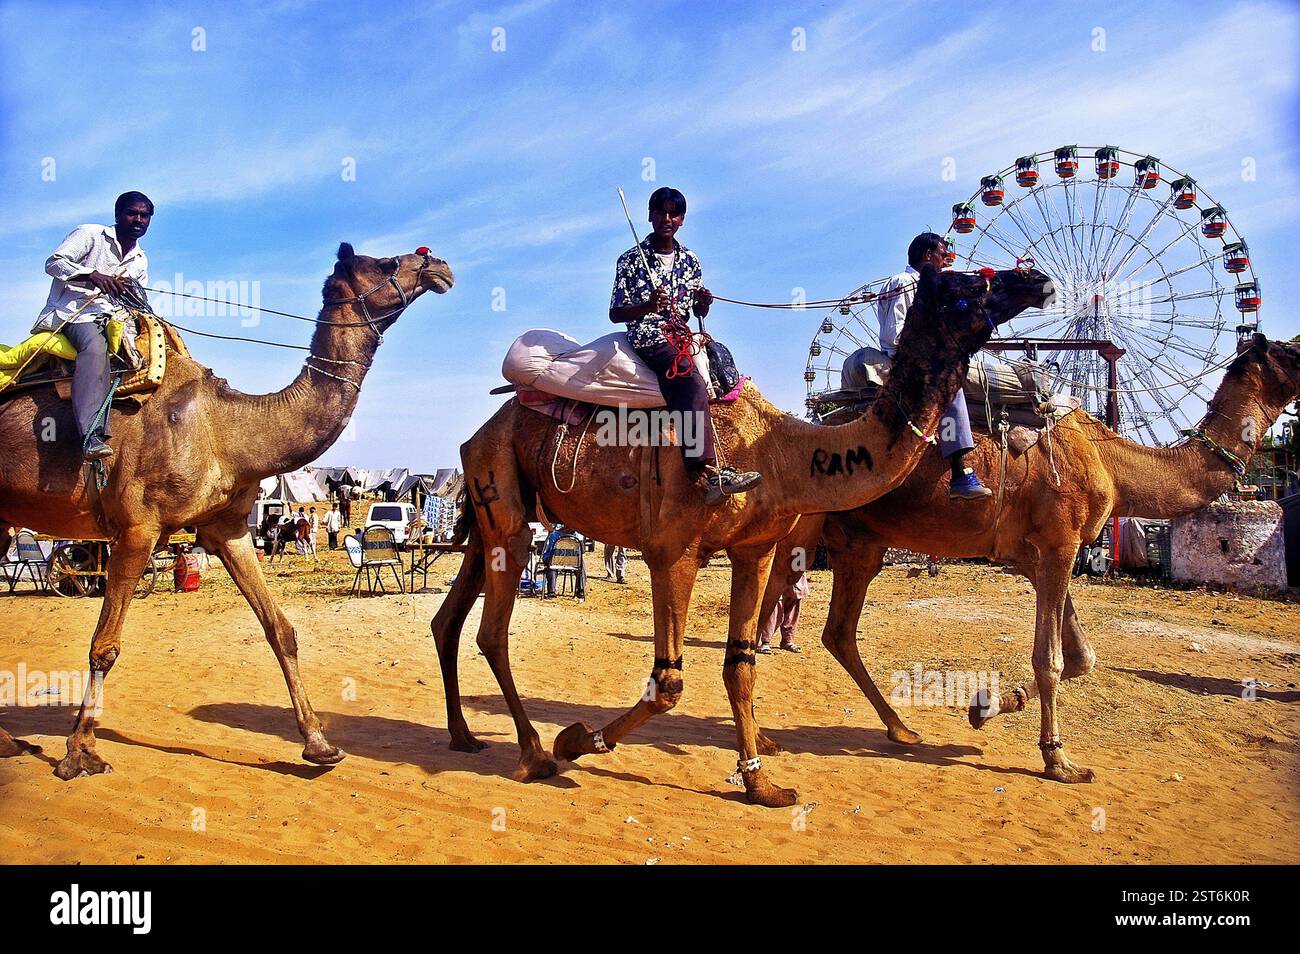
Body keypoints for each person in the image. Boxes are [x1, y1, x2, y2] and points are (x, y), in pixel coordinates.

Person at [609, 187, 760, 505]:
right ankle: (702, 472)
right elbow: (616, 313)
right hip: (648, 336)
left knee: (723, 375)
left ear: (682, 219)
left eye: (674, 213)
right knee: (689, 380)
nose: (667, 219)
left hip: (682, 333)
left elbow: (694, 311)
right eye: (661, 212)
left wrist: (703, 305)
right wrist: (647, 307)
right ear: (650, 215)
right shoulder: (630, 260)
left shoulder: (690, 261)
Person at [33, 192, 153, 461]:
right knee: (95, 348)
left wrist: (130, 294)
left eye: (144, 215)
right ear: (118, 215)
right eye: (132, 213)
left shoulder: (140, 260)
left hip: (114, 319)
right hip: (75, 314)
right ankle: (91, 433)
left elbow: (136, 301)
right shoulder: (91, 234)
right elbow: (53, 263)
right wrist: (92, 275)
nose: (138, 219)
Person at [876, 232, 992, 499]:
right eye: (942, 254)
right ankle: (959, 471)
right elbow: (895, 334)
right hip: (905, 357)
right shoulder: (905, 283)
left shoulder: (922, 285)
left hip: (915, 353)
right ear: (928, 255)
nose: (944, 260)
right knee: (949, 386)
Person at [756, 572, 808, 654]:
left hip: (797, 564)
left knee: (794, 598)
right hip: (777, 567)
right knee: (775, 602)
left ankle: (787, 640)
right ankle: (766, 641)